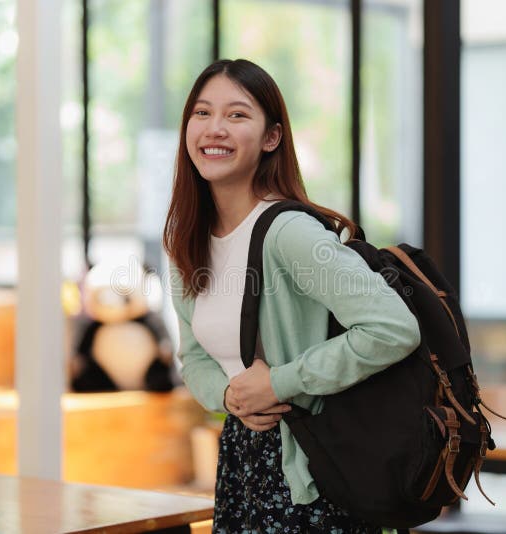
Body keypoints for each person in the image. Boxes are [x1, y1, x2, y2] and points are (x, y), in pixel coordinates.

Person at [163, 58, 421, 533]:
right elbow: (194, 358)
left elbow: (393, 327)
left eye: (237, 115)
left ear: (271, 138)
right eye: (201, 113)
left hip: (313, 472)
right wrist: (229, 395)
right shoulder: (187, 239)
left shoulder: (290, 233)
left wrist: (279, 382)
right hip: (242, 464)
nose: (214, 128)